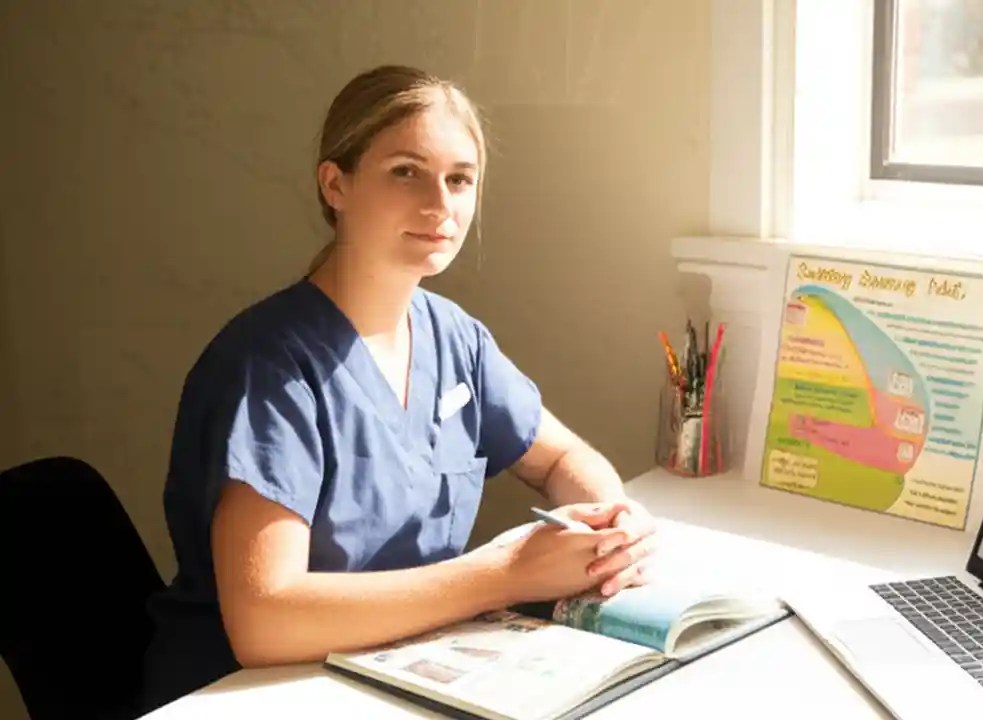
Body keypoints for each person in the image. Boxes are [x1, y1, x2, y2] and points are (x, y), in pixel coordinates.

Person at [140, 65, 657, 710]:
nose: (440, 205)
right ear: (337, 184)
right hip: (250, 693)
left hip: (398, 671)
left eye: (459, 179)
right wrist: (505, 575)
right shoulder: (271, 367)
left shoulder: (454, 338)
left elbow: (561, 457)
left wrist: (608, 534)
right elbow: (263, 621)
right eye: (406, 172)